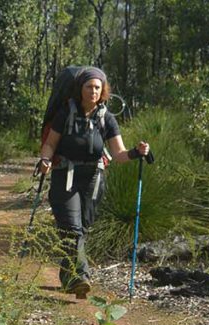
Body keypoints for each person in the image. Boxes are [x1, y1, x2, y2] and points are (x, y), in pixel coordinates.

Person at [37, 67, 149, 299]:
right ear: (81, 89)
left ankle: (68, 277)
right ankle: (81, 277)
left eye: (98, 87)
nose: (93, 91)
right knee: (72, 227)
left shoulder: (106, 118)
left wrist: (137, 153)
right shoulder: (65, 113)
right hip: (65, 176)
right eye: (89, 87)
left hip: (93, 180)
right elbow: (50, 143)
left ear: (103, 91)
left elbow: (118, 154)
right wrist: (45, 159)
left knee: (81, 228)